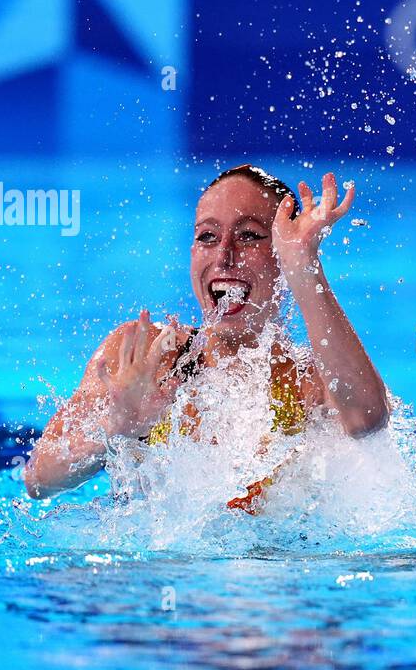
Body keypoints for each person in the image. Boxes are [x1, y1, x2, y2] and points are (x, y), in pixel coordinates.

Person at [24, 165, 390, 510]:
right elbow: (38, 478)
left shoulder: (307, 380)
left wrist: (303, 265)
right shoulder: (146, 358)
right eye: (208, 237)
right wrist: (115, 429)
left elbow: (367, 419)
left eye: (248, 235)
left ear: (281, 255)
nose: (225, 255)